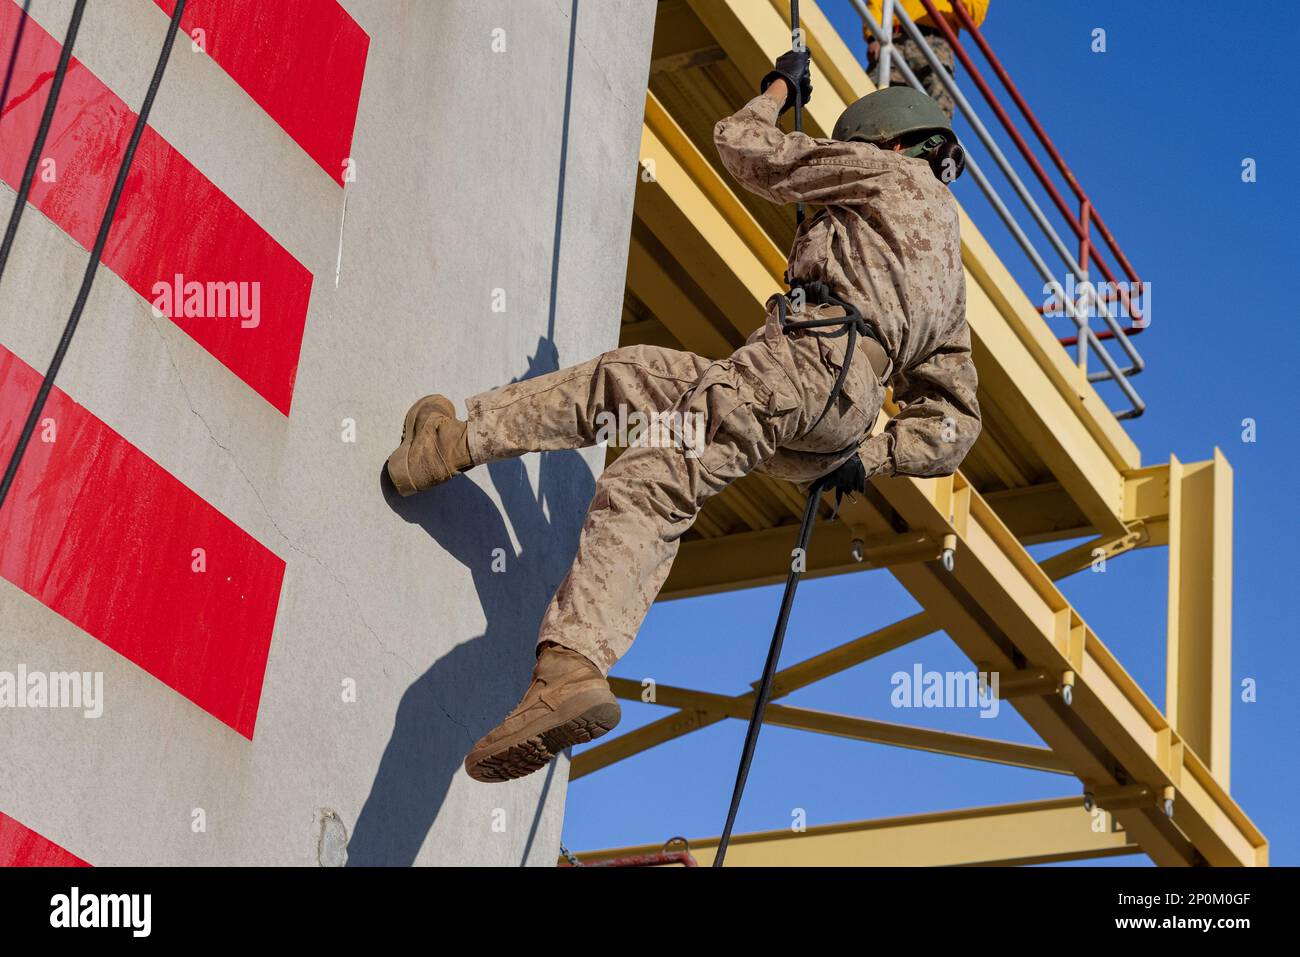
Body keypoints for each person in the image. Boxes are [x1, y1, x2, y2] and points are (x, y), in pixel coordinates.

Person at [385, 50, 980, 783]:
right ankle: (452, 441)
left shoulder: (885, 173)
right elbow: (956, 423)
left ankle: (570, 667)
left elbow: (742, 146)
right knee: (630, 378)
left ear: (884, 142)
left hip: (798, 365)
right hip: (834, 417)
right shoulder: (949, 272)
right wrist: (869, 458)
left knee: (651, 483)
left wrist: (775, 91)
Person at [865, 0, 990, 120]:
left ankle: (934, 138)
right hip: (895, 37)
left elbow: (973, 17)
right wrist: (874, 35)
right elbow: (876, 3)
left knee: (937, 95)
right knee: (874, 95)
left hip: (937, 41)